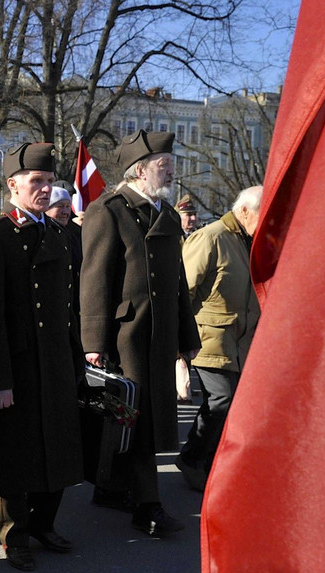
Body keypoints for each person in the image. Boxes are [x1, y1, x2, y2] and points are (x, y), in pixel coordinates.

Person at [0, 142, 84, 572]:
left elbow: (68, 308)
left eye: (50, 182)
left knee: (57, 445)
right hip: (14, 365)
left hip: (54, 360)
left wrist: (78, 361)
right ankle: (14, 535)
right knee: (14, 454)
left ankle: (43, 523)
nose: (44, 189)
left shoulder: (58, 231)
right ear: (12, 184)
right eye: (36, 181)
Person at [80, 129, 201, 535]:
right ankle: (148, 506)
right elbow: (94, 278)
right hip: (125, 335)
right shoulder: (109, 210)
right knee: (138, 420)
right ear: (138, 171)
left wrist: (186, 339)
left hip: (160, 334)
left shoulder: (164, 213)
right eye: (162, 165)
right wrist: (93, 343)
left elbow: (178, 282)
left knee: (142, 419)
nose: (170, 170)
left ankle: (110, 488)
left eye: (170, 163)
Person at [175, 186, 262, 491]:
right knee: (221, 401)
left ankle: (210, 462)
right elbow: (182, 291)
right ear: (245, 211)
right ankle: (190, 459)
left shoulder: (248, 241)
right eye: (263, 215)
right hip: (208, 339)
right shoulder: (211, 238)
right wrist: (179, 349)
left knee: (231, 404)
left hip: (239, 341)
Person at [46, 187, 83, 312]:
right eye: (60, 206)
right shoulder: (44, 234)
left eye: (68, 206)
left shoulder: (72, 233)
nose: (65, 211)